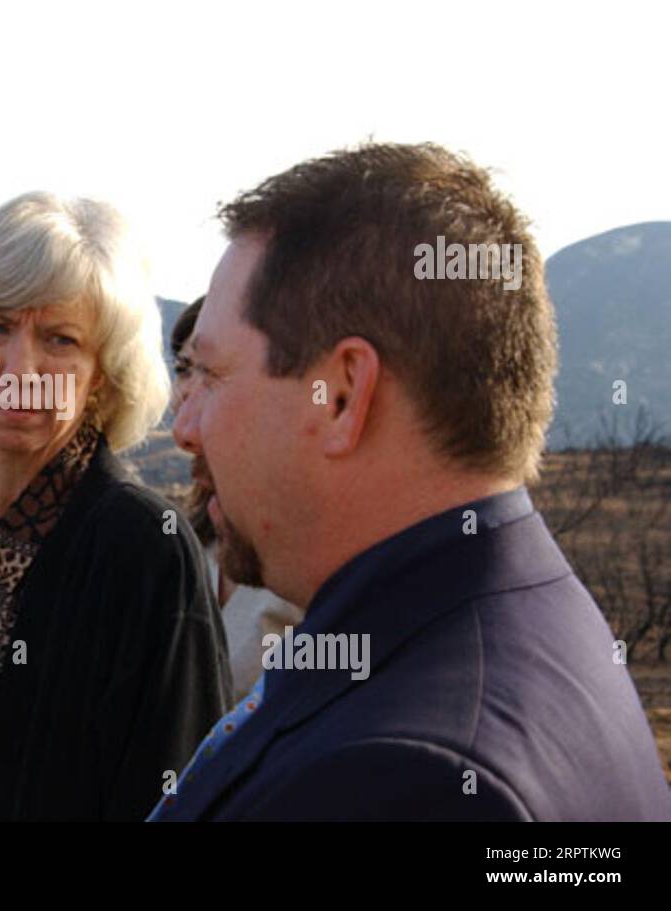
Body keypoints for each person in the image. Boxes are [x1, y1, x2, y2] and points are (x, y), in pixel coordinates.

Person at [157, 142, 671, 821]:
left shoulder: (405, 776)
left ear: (339, 395)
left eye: (213, 374)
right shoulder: (514, 613)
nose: (185, 428)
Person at [0, 191, 231, 821]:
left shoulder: (143, 548)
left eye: (61, 340)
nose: (20, 367)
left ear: (103, 374)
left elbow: (179, 799)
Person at [169, 297, 302, 694]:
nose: (186, 396)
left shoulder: (315, 562)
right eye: (184, 369)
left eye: (211, 372)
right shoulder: (183, 543)